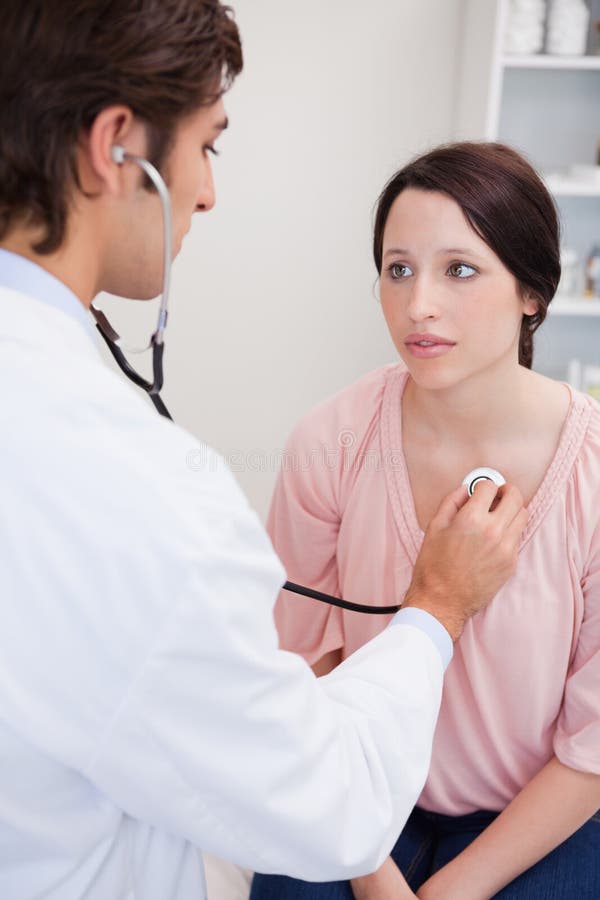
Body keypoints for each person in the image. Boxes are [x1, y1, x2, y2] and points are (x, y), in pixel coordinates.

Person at [0, 4, 527, 898]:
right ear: (116, 146)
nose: (208, 192)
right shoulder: (157, 484)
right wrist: (436, 609)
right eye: (209, 146)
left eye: (460, 269)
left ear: (533, 293)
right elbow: (326, 801)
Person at [249, 142, 600, 900]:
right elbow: (298, 671)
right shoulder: (330, 441)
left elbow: (594, 745)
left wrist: (451, 891)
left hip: (542, 805)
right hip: (360, 786)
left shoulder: (594, 470)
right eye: (397, 268)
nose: (419, 305)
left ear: (533, 291)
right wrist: (376, 878)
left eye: (459, 270)